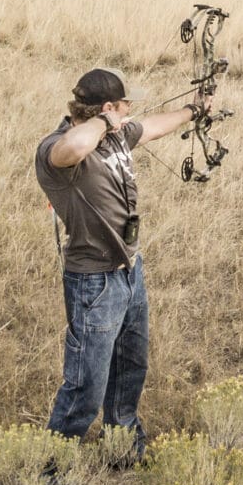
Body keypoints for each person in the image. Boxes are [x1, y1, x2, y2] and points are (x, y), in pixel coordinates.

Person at [34, 66, 197, 448]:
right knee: (85, 386)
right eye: (124, 106)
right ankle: (47, 475)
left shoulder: (116, 135)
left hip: (128, 271)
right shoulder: (57, 148)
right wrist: (107, 120)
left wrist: (193, 110)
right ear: (107, 108)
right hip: (94, 281)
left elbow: (154, 125)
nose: (129, 112)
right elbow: (73, 148)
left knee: (129, 368)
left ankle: (122, 449)